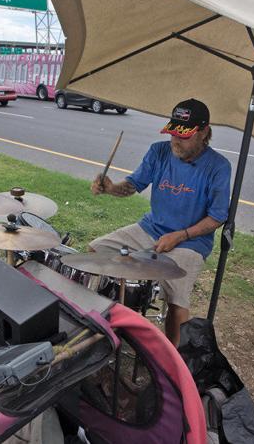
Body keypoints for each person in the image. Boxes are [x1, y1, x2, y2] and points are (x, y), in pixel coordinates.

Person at [90, 98, 231, 346]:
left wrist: (180, 236)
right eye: (173, 133)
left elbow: (218, 217)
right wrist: (111, 188)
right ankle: (101, 322)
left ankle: (172, 358)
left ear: (204, 133)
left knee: (177, 297)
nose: (175, 141)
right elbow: (132, 186)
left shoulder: (218, 167)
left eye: (183, 136)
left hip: (191, 242)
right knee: (95, 251)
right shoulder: (159, 151)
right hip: (150, 228)